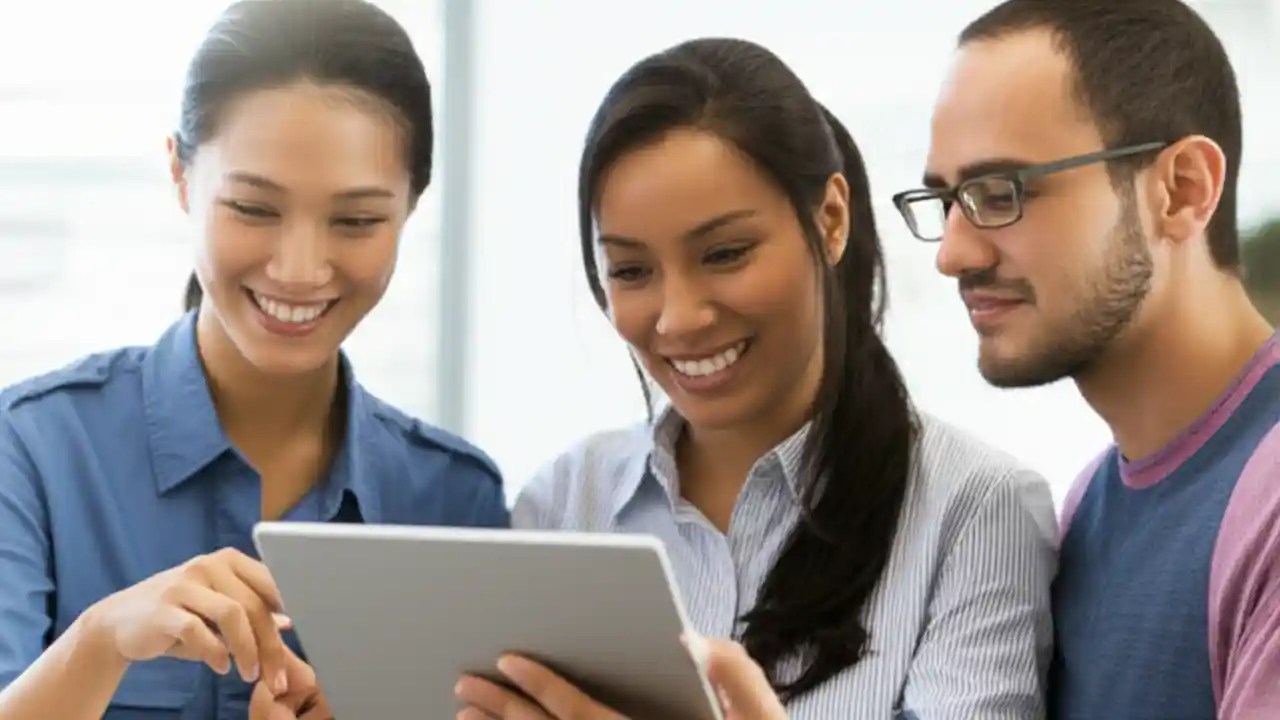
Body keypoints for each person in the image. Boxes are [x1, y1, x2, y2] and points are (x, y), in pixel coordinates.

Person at [454, 37, 1058, 720]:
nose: (679, 319)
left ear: (829, 221)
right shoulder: (565, 504)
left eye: (725, 253)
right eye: (630, 270)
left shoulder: (975, 512)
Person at [0, 1, 508, 718]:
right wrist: (101, 640)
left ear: (411, 208)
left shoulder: (456, 503)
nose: (299, 271)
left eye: (357, 220)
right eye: (253, 208)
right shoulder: (31, 450)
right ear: (180, 175)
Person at [890, 0, 1280, 717]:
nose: (953, 254)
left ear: (1181, 189)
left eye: (999, 193)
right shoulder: (1091, 509)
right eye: (945, 200)